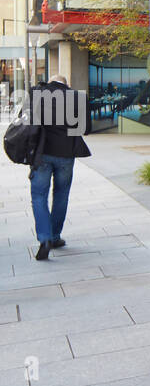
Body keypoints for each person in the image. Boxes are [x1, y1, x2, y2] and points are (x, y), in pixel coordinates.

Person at [29, 75, 91, 261]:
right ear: (67, 84)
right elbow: (85, 129)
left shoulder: (37, 93)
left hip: (42, 154)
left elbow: (27, 123)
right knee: (61, 194)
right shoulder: (77, 97)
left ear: (50, 81)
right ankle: (55, 237)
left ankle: (45, 238)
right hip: (66, 155)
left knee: (39, 196)